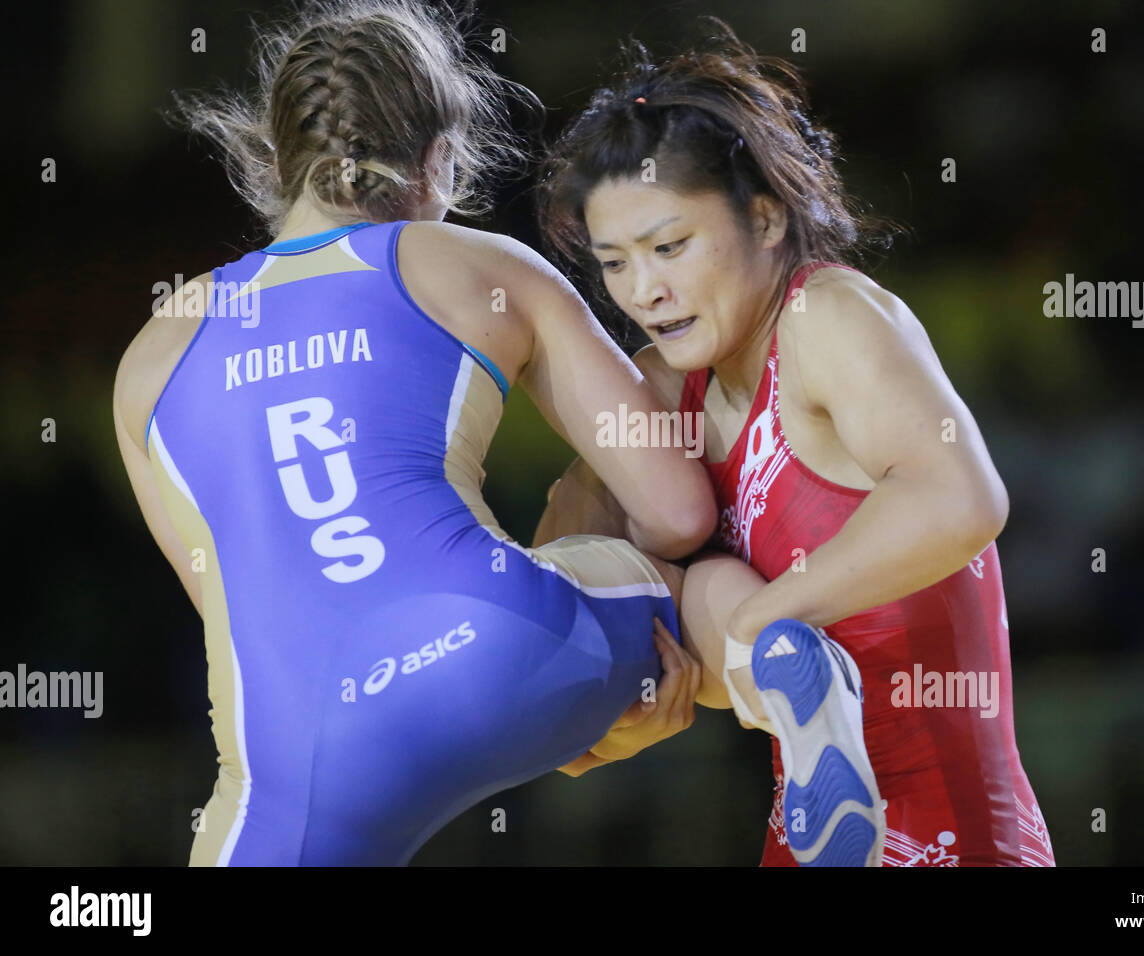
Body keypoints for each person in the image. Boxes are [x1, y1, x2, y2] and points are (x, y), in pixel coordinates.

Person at [112, 0, 727, 866]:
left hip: (298, 758)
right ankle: (785, 678)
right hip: (495, 655)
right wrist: (590, 690)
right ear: (441, 158)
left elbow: (236, 602)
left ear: (274, 158)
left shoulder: (154, 351)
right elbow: (678, 512)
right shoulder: (480, 267)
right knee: (697, 583)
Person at [534, 21, 1056, 866]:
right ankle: (784, 678)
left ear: (767, 219)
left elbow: (962, 499)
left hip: (957, 841)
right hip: (813, 843)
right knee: (648, 578)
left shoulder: (829, 316)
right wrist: (607, 723)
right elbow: (549, 617)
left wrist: (765, 621)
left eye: (669, 246)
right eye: (616, 263)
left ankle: (779, 659)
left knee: (721, 595)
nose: (646, 290)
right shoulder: (663, 389)